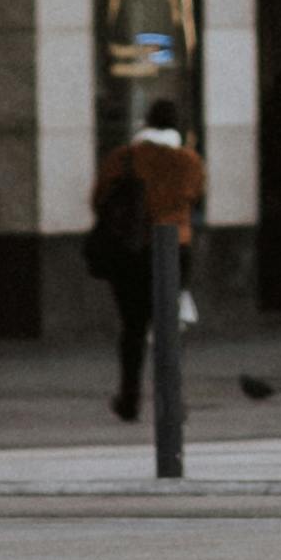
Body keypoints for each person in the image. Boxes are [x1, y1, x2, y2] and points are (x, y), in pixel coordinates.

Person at [88, 116, 204, 422]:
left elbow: (99, 198)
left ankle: (130, 397)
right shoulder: (188, 161)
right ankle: (171, 400)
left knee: (133, 328)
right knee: (168, 328)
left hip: (131, 250)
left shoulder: (123, 158)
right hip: (175, 248)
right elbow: (195, 194)